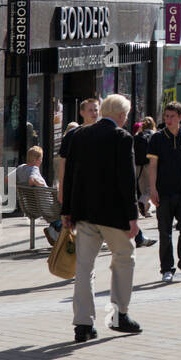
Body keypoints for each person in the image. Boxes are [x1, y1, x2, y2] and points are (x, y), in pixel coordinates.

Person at [61, 94, 142, 342]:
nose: (126, 119)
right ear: (120, 115)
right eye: (126, 115)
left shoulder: (79, 135)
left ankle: (83, 324)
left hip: (84, 213)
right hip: (113, 214)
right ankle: (119, 315)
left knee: (84, 268)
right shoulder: (121, 138)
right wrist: (133, 216)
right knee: (124, 258)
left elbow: (70, 174)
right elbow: (127, 179)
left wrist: (67, 211)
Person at [146, 102, 181, 282]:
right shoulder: (157, 138)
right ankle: (166, 269)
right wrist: (152, 189)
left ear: (180, 117)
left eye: (172, 116)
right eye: (166, 116)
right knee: (164, 231)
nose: (168, 120)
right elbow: (152, 166)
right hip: (163, 191)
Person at [15, 146, 63, 245]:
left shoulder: (20, 168)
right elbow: (31, 180)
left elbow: (7, 179)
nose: (41, 161)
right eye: (41, 158)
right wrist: (42, 185)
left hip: (32, 206)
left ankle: (54, 230)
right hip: (47, 207)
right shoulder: (34, 169)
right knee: (66, 208)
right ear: (37, 160)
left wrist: (20, 184)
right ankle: (55, 229)